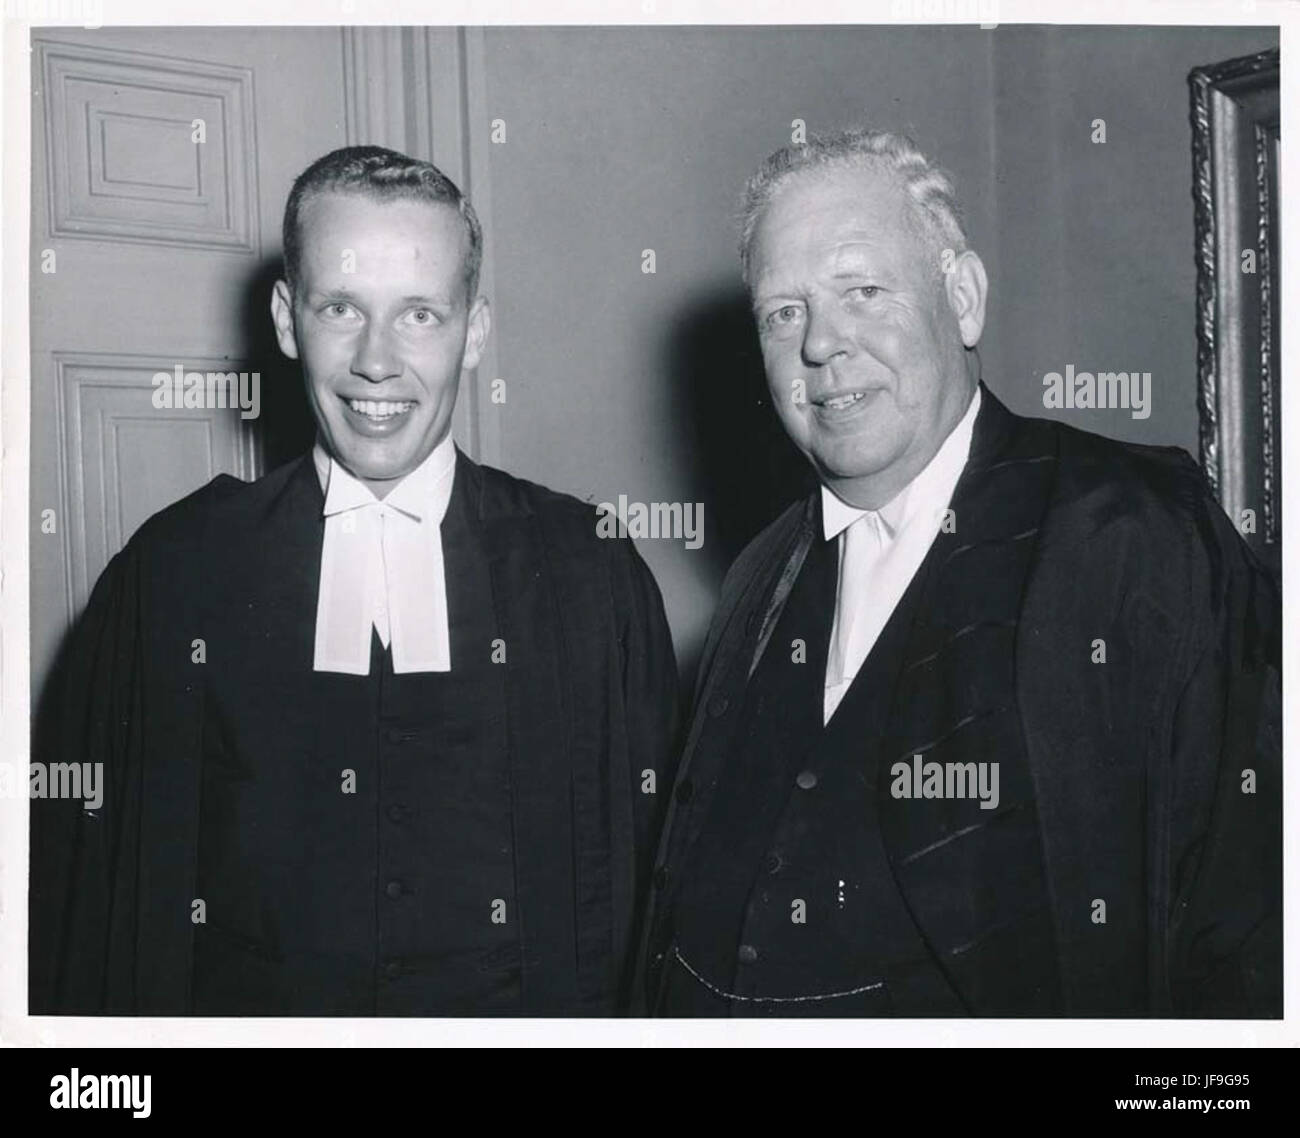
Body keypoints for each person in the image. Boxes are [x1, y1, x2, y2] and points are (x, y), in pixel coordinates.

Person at [636, 128, 1281, 1017]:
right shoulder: (759, 577)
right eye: (784, 312)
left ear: (964, 297)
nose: (822, 345)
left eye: (863, 290)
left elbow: (1247, 919)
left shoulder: (1133, 534)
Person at [30, 146, 678, 1016]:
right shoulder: (174, 574)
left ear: (475, 332)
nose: (378, 361)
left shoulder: (590, 576)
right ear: (287, 319)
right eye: (342, 308)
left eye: (420, 315)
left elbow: (651, 912)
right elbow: (94, 915)